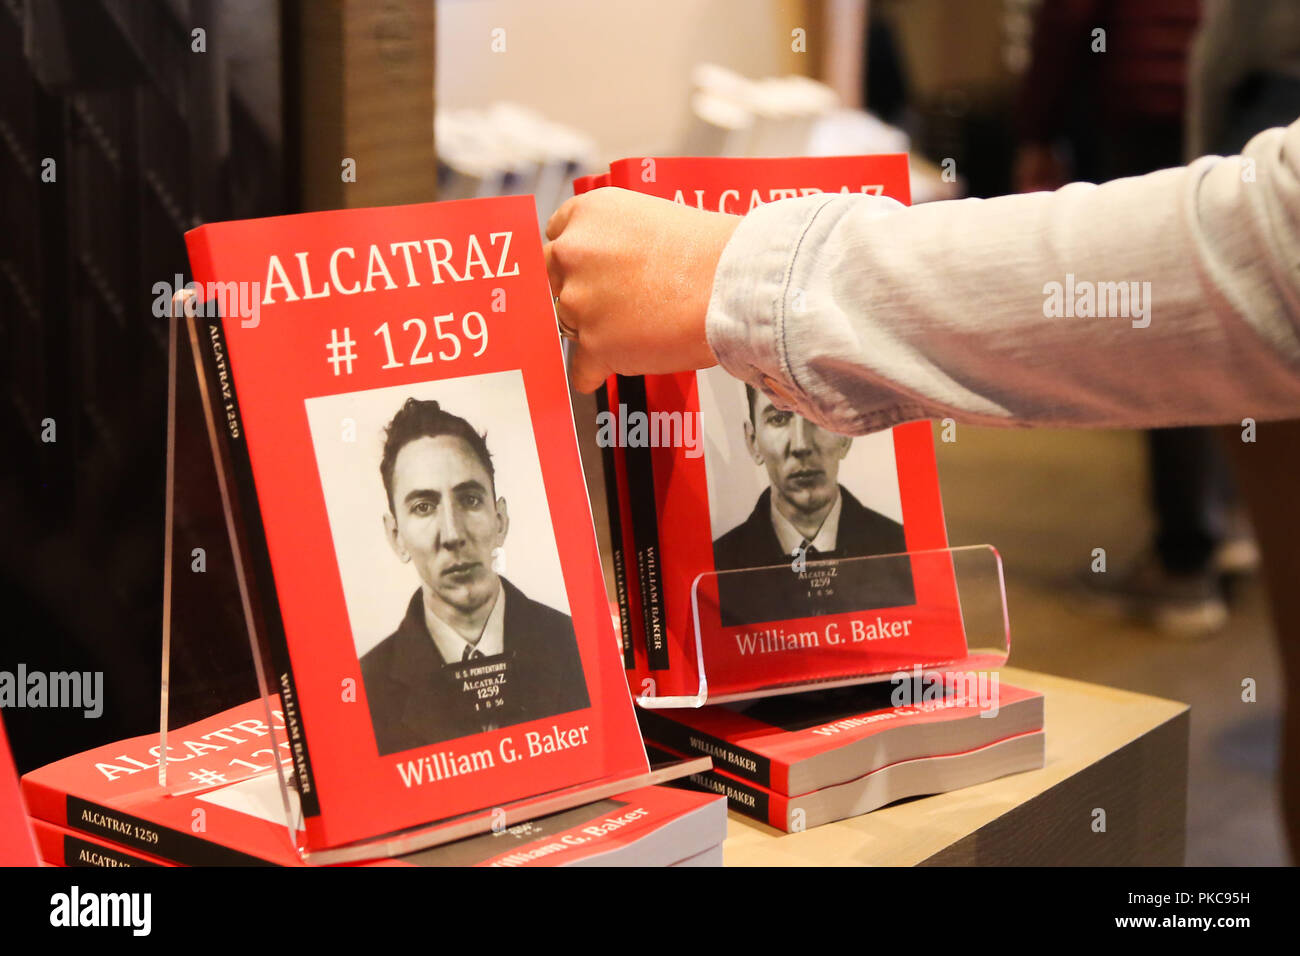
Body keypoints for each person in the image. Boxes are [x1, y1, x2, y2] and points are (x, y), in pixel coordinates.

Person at [542, 115, 1300, 851]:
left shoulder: (886, 548)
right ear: (749, 438)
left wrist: (735, 275)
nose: (800, 442)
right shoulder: (728, 557)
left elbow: (1258, 246)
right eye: (773, 416)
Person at [360, 397, 588, 755]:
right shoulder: (366, 691)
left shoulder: (580, 647)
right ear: (396, 536)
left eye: (469, 499)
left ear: (500, 521)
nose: (452, 534)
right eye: (423, 507)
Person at [712, 383, 912, 626]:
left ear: (846, 435)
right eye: (778, 418)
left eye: (818, 416)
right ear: (753, 441)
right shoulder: (719, 568)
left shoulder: (902, 550)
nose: (801, 445)